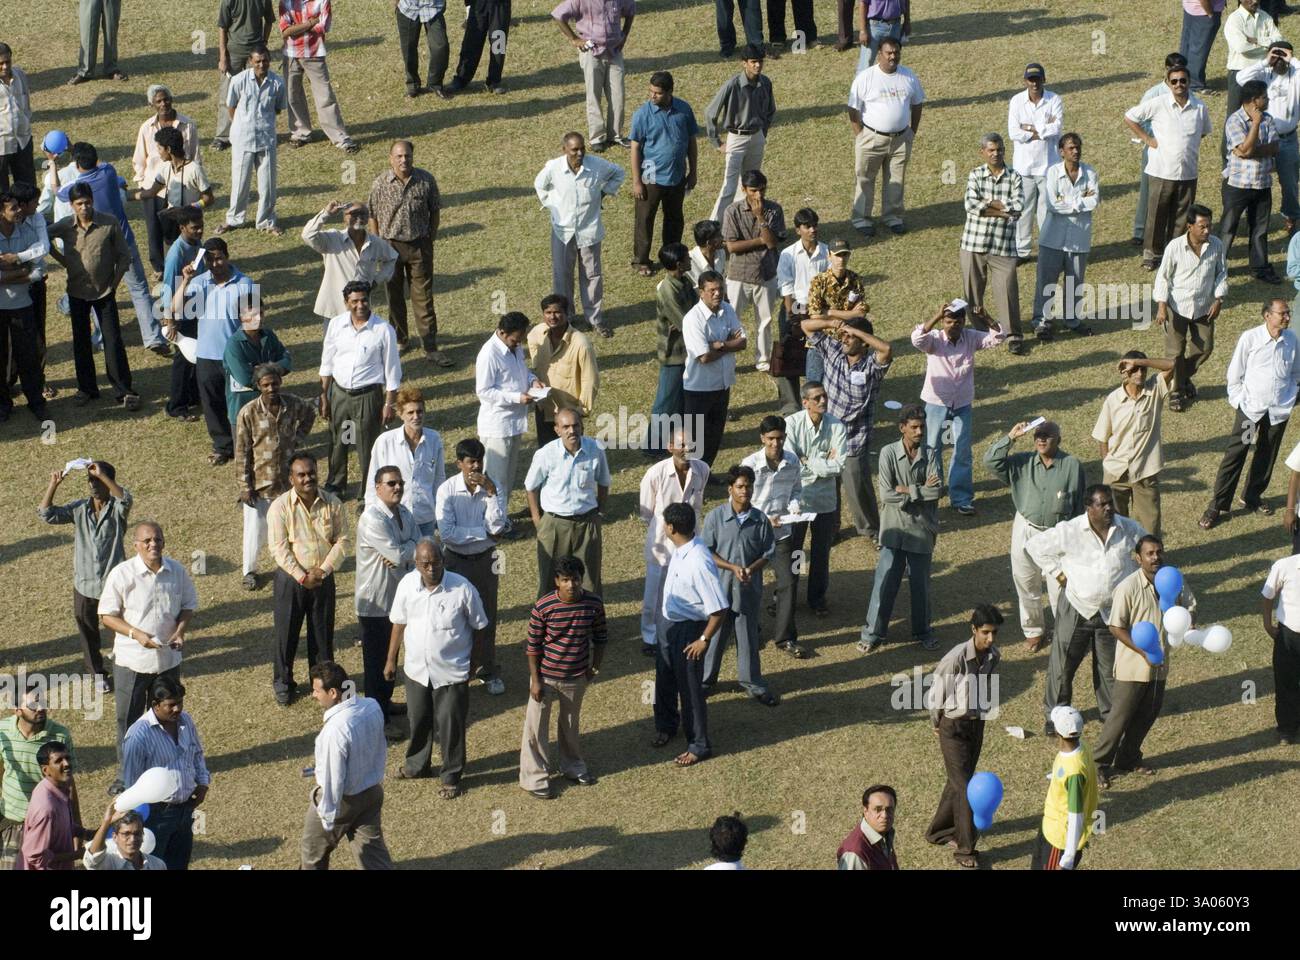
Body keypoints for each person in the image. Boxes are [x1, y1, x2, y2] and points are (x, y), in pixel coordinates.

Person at [1026, 484, 1146, 734]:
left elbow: (1146, 550)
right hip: (1077, 607)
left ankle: (1110, 714)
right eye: (1102, 504)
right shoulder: (1071, 531)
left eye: (1110, 502)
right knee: (1064, 664)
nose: (1109, 508)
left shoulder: (1128, 528)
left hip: (1111, 612)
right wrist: (1058, 575)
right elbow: (1035, 546)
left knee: (1109, 666)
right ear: (1088, 508)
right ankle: (1055, 715)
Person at [98, 521, 198, 787]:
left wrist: (180, 632)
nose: (153, 545)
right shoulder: (122, 574)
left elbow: (188, 606)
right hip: (132, 661)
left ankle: (165, 767)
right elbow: (107, 615)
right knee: (130, 721)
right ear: (136, 546)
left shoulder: (176, 571)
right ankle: (127, 776)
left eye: (158, 540)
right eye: (147, 541)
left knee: (166, 717)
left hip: (167, 661)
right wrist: (136, 634)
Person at [385, 539, 488, 799]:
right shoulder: (407, 585)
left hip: (451, 673)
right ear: (416, 564)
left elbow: (480, 627)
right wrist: (390, 660)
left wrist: (474, 663)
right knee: (418, 719)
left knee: (450, 724)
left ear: (444, 560)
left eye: (436, 562)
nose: (432, 569)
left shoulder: (462, 588)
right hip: (417, 670)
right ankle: (416, 765)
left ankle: (451, 775)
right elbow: (398, 623)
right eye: (425, 564)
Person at [1096, 535, 1194, 787]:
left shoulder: (1175, 580)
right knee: (1119, 718)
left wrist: (1185, 618)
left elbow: (1188, 610)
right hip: (1133, 667)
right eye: (1150, 553)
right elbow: (1116, 627)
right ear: (1138, 558)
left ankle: (1128, 759)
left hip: (1160, 668)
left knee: (1147, 716)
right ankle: (1098, 765)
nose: (1156, 557)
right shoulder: (1128, 588)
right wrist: (1143, 652)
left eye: (1159, 552)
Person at [52, 140, 164, 354]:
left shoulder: (75, 189)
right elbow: (117, 178)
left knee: (97, 291)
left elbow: (57, 190)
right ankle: (153, 337)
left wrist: (52, 164)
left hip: (98, 248)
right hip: (125, 240)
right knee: (139, 289)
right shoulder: (109, 172)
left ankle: (101, 338)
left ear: (76, 165)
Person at [984, 420, 1086, 652]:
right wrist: (1011, 437)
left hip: (1057, 533)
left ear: (1058, 439)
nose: (1041, 439)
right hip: (1026, 529)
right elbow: (990, 461)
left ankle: (1064, 630)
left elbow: (1080, 505)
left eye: (1047, 435)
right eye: (1037, 435)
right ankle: (1034, 631)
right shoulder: (1022, 463)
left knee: (1060, 586)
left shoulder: (1072, 466)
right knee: (1025, 581)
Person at [1200, 298, 1300, 528]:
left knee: (1267, 454)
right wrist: (1240, 403)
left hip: (1277, 412)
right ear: (1267, 315)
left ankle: (1252, 496)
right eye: (1282, 313)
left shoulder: (1292, 340)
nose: (1287, 317)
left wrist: (1290, 395)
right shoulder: (1250, 338)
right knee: (1236, 455)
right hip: (1251, 412)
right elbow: (1235, 375)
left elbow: (1296, 373)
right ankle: (1217, 504)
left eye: (1288, 313)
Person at [38, 460, 132, 690]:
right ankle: (97, 673)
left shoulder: (117, 509)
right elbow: (46, 514)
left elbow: (125, 499)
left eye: (97, 481)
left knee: (121, 628)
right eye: (90, 481)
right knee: (87, 630)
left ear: (108, 482)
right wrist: (54, 485)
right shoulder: (79, 508)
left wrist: (104, 476)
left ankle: (127, 666)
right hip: (84, 584)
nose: (92, 485)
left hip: (113, 583)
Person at [801, 309, 892, 544]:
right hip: (828, 436)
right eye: (845, 335)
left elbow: (886, 349)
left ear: (863, 343)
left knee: (858, 488)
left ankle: (871, 530)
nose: (845, 339)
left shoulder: (872, 366)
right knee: (828, 486)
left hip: (855, 438)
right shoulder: (833, 351)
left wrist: (856, 330)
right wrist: (832, 323)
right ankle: (831, 529)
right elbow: (806, 326)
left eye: (851, 337)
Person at [520, 555, 607, 799]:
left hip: (576, 677)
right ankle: (534, 778)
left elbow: (601, 638)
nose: (571, 585)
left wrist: (594, 668)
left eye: (576, 579)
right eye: (566, 580)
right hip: (545, 678)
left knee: (570, 724)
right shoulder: (543, 607)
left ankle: (573, 767)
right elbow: (533, 647)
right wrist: (536, 680)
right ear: (557, 581)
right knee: (536, 727)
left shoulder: (593, 603)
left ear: (582, 579)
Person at [858, 403, 942, 652]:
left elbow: (936, 491)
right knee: (884, 583)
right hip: (894, 529)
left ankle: (923, 631)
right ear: (902, 428)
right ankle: (872, 633)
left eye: (922, 427)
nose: (919, 432)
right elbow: (886, 495)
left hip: (921, 529)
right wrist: (919, 491)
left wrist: (906, 490)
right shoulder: (887, 453)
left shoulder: (931, 453)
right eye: (914, 427)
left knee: (921, 586)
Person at [925, 603, 1002, 870]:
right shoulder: (955, 658)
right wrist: (937, 723)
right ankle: (965, 849)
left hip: (975, 726)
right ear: (973, 630)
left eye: (994, 633)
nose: (990, 639)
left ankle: (938, 831)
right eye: (985, 632)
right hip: (953, 728)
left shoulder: (994, 656)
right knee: (965, 788)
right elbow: (936, 694)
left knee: (958, 782)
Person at [48, 183, 138, 411]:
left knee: (113, 341)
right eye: (79, 204)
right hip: (77, 293)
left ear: (92, 201)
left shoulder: (108, 222)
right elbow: (44, 237)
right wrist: (63, 260)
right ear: (72, 205)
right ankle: (87, 388)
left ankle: (123, 390)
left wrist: (114, 284)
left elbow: (124, 256)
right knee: (81, 342)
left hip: (105, 293)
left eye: (87, 202)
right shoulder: (66, 226)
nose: (84, 207)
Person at [267, 453, 349, 705]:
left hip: (323, 578)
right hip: (291, 580)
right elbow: (278, 548)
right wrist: (302, 576)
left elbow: (343, 541)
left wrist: (322, 571)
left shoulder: (332, 503)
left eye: (311, 473)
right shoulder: (280, 507)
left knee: (322, 635)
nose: (307, 478)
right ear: (291, 478)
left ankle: (323, 684)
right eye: (301, 475)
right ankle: (283, 682)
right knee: (286, 635)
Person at [911, 299, 1005, 515]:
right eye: (948, 321)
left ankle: (961, 497)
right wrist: (936, 315)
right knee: (932, 447)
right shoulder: (933, 339)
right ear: (943, 322)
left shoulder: (971, 337)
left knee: (961, 449)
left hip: (962, 403)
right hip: (936, 402)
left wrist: (985, 316)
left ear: (963, 322)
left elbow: (998, 337)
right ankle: (932, 490)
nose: (952, 325)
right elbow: (917, 339)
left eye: (957, 321)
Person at [172, 238, 259, 465]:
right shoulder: (200, 283)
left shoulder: (246, 284)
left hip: (235, 355)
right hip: (206, 355)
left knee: (239, 404)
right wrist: (185, 281)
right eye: (210, 259)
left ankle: (244, 445)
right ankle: (222, 446)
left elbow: (254, 323)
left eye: (219, 257)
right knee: (211, 403)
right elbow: (174, 308)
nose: (215, 263)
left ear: (227, 256)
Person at [653, 502, 728, 767]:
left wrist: (703, 640)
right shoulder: (683, 548)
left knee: (690, 690)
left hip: (688, 632)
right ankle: (666, 725)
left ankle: (699, 744)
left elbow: (719, 609)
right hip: (669, 626)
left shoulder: (698, 561)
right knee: (664, 678)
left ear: (671, 528)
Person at [302, 661, 394, 869]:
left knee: (312, 854)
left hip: (343, 801)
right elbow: (374, 748)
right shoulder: (372, 706)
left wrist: (326, 818)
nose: (313, 695)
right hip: (371, 794)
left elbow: (333, 780)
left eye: (316, 691)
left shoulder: (334, 731)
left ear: (333, 692)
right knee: (373, 854)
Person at [700, 465, 779, 705]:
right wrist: (732, 568)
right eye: (740, 486)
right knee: (715, 637)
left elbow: (769, 551)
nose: (745, 491)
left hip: (748, 589)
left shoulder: (760, 520)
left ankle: (753, 683)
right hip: (720, 590)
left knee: (748, 638)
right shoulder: (715, 517)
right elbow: (707, 551)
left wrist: (751, 569)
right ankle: (705, 680)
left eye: (749, 486)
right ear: (730, 489)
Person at [534, 132, 625, 339]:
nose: (580, 153)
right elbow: (540, 185)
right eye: (575, 149)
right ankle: (566, 318)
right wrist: (553, 206)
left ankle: (595, 319)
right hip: (562, 231)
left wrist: (604, 193)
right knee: (562, 275)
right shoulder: (554, 168)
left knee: (592, 275)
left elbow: (618, 173)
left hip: (589, 231)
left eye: (582, 148)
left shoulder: (597, 165)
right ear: (564, 149)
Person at [436, 437, 509, 695]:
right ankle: (458, 671)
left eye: (479, 461)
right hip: (455, 561)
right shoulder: (446, 490)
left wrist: (490, 493)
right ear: (460, 463)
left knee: (486, 615)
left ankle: (487, 669)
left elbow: (498, 526)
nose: (476, 467)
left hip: (486, 561)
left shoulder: (493, 487)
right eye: (471, 462)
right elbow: (447, 534)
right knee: (456, 616)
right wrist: (484, 534)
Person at [234, 364, 315, 590]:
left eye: (275, 383)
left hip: (288, 483)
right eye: (266, 384)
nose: (271, 388)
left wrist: (298, 438)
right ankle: (249, 571)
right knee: (254, 532)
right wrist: (244, 486)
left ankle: (293, 566)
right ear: (258, 386)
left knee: (292, 527)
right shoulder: (248, 412)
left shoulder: (292, 404)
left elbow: (310, 413)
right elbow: (241, 452)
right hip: (260, 485)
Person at [319, 281, 403, 501]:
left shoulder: (383, 330)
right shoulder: (336, 326)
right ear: (346, 303)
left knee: (367, 446)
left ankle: (366, 494)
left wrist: (389, 404)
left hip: (367, 396)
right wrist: (324, 396)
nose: (360, 305)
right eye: (354, 301)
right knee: (340, 440)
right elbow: (327, 363)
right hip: (339, 395)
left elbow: (392, 371)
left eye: (364, 300)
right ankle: (336, 485)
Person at [1124, 64, 1212, 271]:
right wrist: (1147, 139)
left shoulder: (1199, 107)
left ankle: (1174, 254)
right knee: (1157, 214)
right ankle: (1151, 255)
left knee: (1182, 218)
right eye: (1174, 81)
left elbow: (1204, 131)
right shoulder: (1158, 103)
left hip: (1188, 171)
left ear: (1189, 82)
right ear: (1168, 83)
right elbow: (1130, 117)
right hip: (1161, 171)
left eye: (1183, 80)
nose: (1179, 84)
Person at [368, 140, 448, 363]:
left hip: (419, 246)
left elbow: (435, 212)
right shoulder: (380, 183)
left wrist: (429, 240)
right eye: (399, 156)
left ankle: (430, 346)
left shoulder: (425, 180)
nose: (404, 160)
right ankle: (400, 340)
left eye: (408, 156)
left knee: (423, 298)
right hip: (390, 247)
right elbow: (373, 215)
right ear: (390, 158)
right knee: (394, 297)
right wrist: (378, 244)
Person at [120, 676, 211, 870]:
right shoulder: (138, 735)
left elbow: (196, 753)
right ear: (155, 704)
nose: (177, 709)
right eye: (171, 705)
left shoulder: (185, 721)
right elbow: (131, 783)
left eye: (180, 703)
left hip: (185, 810)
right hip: (155, 816)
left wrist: (202, 783)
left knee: (179, 864)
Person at [356, 465, 419, 733]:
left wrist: (406, 550)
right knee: (376, 662)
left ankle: (386, 701)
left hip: (397, 597)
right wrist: (410, 550)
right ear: (377, 488)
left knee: (391, 655)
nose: (397, 487)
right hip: (375, 601)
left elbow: (422, 541)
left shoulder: (404, 512)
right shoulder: (372, 519)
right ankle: (377, 719)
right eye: (391, 483)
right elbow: (396, 555)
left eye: (400, 483)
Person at [526, 407, 610, 597]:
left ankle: (589, 622)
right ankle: (548, 623)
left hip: (587, 522)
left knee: (589, 578)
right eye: (565, 427)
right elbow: (531, 487)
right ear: (557, 429)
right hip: (554, 524)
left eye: (575, 426)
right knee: (550, 576)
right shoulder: (546, 454)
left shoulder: (595, 450)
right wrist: (537, 520)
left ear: (582, 426)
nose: (571, 431)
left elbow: (604, 482)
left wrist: (600, 512)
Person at [640, 429, 709, 656]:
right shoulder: (655, 473)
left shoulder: (702, 470)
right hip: (662, 543)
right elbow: (647, 511)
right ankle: (650, 637)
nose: (687, 449)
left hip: (690, 541)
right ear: (670, 447)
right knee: (654, 594)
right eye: (682, 444)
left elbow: (698, 505)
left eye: (691, 444)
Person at [741, 415, 804, 658]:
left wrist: (796, 504)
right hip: (753, 533)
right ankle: (749, 632)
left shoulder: (792, 461)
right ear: (762, 438)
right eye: (770, 439)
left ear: (785, 438)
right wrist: (763, 519)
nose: (775, 444)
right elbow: (737, 501)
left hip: (781, 533)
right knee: (749, 585)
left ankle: (785, 638)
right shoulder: (749, 465)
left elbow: (797, 489)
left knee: (787, 583)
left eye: (779, 439)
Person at [1093, 351, 1176, 537]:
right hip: (1116, 473)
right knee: (1114, 526)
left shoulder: (1154, 390)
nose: (1140, 373)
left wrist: (1139, 361)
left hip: (1145, 472)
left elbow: (1172, 364)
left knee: (1150, 528)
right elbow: (1102, 436)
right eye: (1135, 370)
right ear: (1125, 373)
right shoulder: (1113, 400)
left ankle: (1152, 563)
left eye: (1143, 369)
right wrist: (1107, 463)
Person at [847, 37, 924, 238]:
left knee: (896, 180)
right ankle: (861, 219)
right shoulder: (866, 77)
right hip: (871, 138)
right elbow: (853, 108)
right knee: (865, 179)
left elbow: (917, 104)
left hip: (900, 139)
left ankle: (893, 217)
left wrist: (911, 131)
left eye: (896, 52)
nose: (893, 56)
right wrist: (860, 133)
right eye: (888, 53)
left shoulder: (908, 76)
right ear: (879, 54)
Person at [1154, 206, 1228, 411]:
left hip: (1204, 308)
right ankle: (1176, 391)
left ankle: (1182, 376)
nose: (1207, 231)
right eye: (1202, 227)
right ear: (1190, 226)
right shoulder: (1175, 247)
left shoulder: (1216, 245)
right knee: (1175, 352)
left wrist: (1219, 299)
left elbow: (1221, 273)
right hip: (1177, 307)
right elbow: (1163, 277)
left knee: (1205, 349)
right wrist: (1161, 306)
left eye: (1209, 226)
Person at [0, 687, 78, 871]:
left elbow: (70, 785)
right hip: (13, 822)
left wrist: (76, 830)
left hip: (48, 824)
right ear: (17, 710)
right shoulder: (3, 730)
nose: (40, 708)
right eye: (33, 704)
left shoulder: (60, 735)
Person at [785, 382, 846, 617]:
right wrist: (822, 461)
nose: (823, 401)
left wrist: (807, 460)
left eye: (824, 397)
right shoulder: (792, 425)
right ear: (805, 402)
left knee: (821, 552)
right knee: (794, 551)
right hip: (798, 501)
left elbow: (839, 465)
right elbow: (791, 464)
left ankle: (817, 598)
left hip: (825, 501)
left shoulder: (836, 426)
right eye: (817, 398)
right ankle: (786, 596)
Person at [476, 311, 542, 527]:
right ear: (502, 332)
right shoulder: (488, 354)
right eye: (515, 340)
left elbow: (520, 373)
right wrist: (516, 398)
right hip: (497, 426)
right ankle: (495, 525)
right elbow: (484, 391)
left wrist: (533, 382)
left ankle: (501, 517)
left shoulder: (514, 347)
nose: (518, 344)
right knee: (496, 480)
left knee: (508, 478)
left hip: (514, 424)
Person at [629, 72, 698, 276]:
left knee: (674, 219)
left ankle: (672, 258)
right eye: (651, 91)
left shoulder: (684, 110)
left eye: (657, 93)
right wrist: (636, 182)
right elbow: (634, 148)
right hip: (650, 176)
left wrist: (693, 171)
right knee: (645, 219)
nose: (652, 96)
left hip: (676, 176)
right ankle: (641, 260)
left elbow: (691, 143)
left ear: (669, 92)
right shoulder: (642, 114)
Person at [960, 134, 1024, 353]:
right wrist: (1000, 209)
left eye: (999, 150)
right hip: (973, 244)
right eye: (991, 150)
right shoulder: (975, 175)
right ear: (983, 152)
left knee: (1007, 289)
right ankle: (981, 331)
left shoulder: (1015, 177)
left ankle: (1013, 334)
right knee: (973, 293)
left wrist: (988, 205)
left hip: (1003, 246)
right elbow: (971, 205)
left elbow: (1017, 207)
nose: (996, 154)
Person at [1032, 132, 1099, 339]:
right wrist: (1080, 202)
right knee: (1046, 282)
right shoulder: (1052, 172)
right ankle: (1042, 322)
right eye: (1071, 148)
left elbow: (1094, 201)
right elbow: (1052, 205)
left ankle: (1072, 320)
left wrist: (1067, 201)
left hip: (1078, 240)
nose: (1076, 151)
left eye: (1078, 147)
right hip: (1052, 238)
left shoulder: (1090, 173)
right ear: (1061, 152)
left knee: (1075, 282)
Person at [131, 84, 200, 274]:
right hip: (153, 189)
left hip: (179, 189)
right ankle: (159, 269)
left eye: (166, 99)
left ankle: (180, 265)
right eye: (158, 101)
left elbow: (194, 155)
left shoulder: (188, 125)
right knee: (154, 231)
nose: (164, 104)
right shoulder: (146, 128)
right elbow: (139, 159)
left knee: (178, 230)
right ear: (152, 104)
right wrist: (142, 185)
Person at [219, 45, 287, 237]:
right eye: (257, 61)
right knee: (240, 181)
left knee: (267, 184)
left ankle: (266, 220)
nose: (261, 64)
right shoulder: (239, 80)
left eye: (265, 60)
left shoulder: (277, 83)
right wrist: (242, 125)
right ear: (250, 61)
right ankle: (234, 219)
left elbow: (278, 109)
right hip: (243, 138)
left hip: (266, 139)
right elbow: (231, 106)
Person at [553, 0, 635, 153]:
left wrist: (624, 35)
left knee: (618, 95)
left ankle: (615, 135)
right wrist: (574, 39)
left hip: (614, 52)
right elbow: (558, 15)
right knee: (594, 95)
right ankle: (597, 138)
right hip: (591, 53)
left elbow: (631, 11)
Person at [1221, 79, 1282, 283]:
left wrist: (1250, 150)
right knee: (1229, 228)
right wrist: (1255, 125)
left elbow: (1273, 147)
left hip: (1262, 184)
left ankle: (1259, 267)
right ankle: (1216, 267)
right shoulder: (1234, 121)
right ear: (1254, 100)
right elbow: (1245, 149)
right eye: (1264, 96)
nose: (1268, 99)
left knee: (1260, 229)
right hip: (1238, 186)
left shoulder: (1268, 119)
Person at [722, 169, 785, 370]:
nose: (759, 195)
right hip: (738, 274)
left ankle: (763, 359)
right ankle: (728, 358)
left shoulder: (774, 210)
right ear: (744, 190)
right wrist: (760, 240)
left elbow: (773, 242)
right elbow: (731, 247)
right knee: (732, 321)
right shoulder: (732, 211)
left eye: (762, 190)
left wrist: (760, 218)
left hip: (766, 273)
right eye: (754, 190)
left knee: (765, 321)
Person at [683, 270, 747, 467]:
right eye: (712, 290)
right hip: (699, 389)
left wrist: (720, 345)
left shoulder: (727, 309)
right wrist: (728, 344)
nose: (717, 294)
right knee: (695, 439)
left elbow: (742, 342)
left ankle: (705, 473)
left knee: (714, 434)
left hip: (722, 385)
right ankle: (691, 476)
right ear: (701, 292)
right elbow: (704, 357)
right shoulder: (693, 319)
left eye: (720, 289)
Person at [280, 0, 359, 154]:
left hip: (314, 54)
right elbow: (285, 30)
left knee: (325, 97)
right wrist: (311, 22)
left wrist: (297, 27)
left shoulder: (322, 1)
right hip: (291, 55)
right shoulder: (286, 1)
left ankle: (340, 138)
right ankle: (301, 133)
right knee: (292, 96)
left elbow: (324, 26)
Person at [364, 385, 444, 537]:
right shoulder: (384, 442)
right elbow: (372, 485)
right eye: (410, 412)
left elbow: (439, 480)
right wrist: (370, 519)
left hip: (425, 518)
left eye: (419, 411)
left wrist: (439, 514)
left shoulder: (434, 439)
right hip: (394, 518)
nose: (416, 416)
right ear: (401, 414)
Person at [303, 200, 398, 329]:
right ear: (344, 218)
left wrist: (376, 280)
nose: (358, 217)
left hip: (360, 309)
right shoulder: (332, 239)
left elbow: (392, 258)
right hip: (334, 308)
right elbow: (308, 235)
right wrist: (326, 213)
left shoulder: (375, 243)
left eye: (363, 213)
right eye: (353, 214)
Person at [706, 47, 775, 222]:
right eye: (753, 62)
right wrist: (717, 142)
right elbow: (710, 113)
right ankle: (714, 226)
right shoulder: (733, 84)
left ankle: (743, 223)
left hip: (756, 136)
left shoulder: (766, 83)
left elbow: (770, 111)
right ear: (744, 63)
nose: (757, 65)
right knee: (729, 186)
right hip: (736, 137)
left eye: (760, 61)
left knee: (751, 184)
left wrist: (762, 134)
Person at [1239, 41, 1300, 236]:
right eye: (1277, 55)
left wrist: (1293, 60)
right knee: (1255, 180)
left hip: (1287, 139)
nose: (1280, 59)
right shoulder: (1264, 75)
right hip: (1263, 139)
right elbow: (1241, 78)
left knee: (1289, 183)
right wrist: (1266, 61)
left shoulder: (1296, 76)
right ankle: (1253, 219)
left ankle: (1291, 216)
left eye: (1284, 55)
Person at [130, 128, 215, 262]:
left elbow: (209, 198)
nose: (158, 153)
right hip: (171, 223)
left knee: (192, 262)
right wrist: (129, 196)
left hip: (190, 224)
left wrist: (192, 208)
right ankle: (176, 281)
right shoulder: (165, 168)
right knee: (173, 259)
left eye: (159, 148)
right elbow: (151, 192)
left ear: (168, 149)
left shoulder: (194, 169)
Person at [1132, 54, 1189, 248]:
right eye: (1172, 67)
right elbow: (1135, 118)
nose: (1177, 73)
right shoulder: (1154, 93)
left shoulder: (1188, 94)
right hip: (1155, 151)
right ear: (1165, 69)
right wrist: (1150, 139)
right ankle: (1140, 231)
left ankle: (1168, 235)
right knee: (1149, 192)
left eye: (1181, 67)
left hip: (1177, 156)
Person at [1033, 705, 1099, 870]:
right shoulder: (1081, 746)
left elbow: (1076, 816)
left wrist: (1067, 859)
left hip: (1060, 840)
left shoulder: (1073, 772)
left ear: (1058, 733)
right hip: (1050, 827)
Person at [527, 294, 599, 445]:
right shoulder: (537, 333)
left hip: (568, 415)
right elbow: (535, 364)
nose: (552, 317)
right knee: (546, 454)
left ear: (567, 314)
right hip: (544, 409)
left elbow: (590, 380)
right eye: (548, 313)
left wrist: (581, 411)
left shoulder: (581, 344)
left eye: (557, 312)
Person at [0, 192, 47, 422]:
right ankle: (2, 404)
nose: (19, 211)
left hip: (22, 305)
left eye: (19, 207)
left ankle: (36, 401)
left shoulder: (27, 233)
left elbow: (39, 270)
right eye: (13, 208)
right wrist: (22, 270)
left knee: (28, 356)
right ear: (1, 212)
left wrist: (13, 270)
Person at [1008, 62, 1062, 258]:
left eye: (1037, 79)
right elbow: (1014, 132)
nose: (1034, 83)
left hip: (1048, 167)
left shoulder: (1054, 99)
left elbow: (1056, 129)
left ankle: (1047, 248)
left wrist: (1029, 128)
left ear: (1044, 80)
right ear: (1025, 81)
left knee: (1046, 211)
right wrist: (1041, 130)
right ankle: (1022, 251)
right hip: (1024, 167)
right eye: (1031, 80)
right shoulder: (1016, 101)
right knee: (1023, 211)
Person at [775, 208, 827, 406]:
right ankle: (790, 405)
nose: (813, 230)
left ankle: (815, 399)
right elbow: (785, 286)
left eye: (815, 225)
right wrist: (792, 315)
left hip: (817, 311)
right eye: (807, 226)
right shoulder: (788, 254)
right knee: (789, 356)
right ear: (798, 230)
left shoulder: (826, 251)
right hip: (795, 307)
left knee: (816, 354)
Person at [648, 242, 697, 452]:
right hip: (673, 354)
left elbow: (697, 309)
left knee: (678, 401)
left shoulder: (684, 281)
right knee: (666, 402)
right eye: (687, 258)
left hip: (685, 351)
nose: (691, 260)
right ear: (678, 263)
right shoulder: (668, 290)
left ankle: (673, 440)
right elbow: (687, 321)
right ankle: (653, 445)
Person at [160, 206, 205, 421]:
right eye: (194, 228)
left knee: (197, 357)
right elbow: (167, 289)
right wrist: (171, 322)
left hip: (198, 311)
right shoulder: (176, 254)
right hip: (182, 315)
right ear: (182, 228)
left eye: (201, 227)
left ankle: (194, 397)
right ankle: (176, 406)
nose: (199, 232)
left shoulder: (197, 245)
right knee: (183, 361)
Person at [213, 0, 275, 151]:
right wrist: (222, 57)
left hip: (254, 56)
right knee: (227, 96)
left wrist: (264, 43)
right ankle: (223, 136)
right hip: (233, 54)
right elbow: (222, 27)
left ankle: (254, 132)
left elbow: (269, 20)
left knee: (255, 95)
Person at [1223, 0, 1283, 145]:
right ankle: (1228, 160)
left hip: (1261, 73)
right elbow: (1242, 47)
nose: (1255, 1)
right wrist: (1267, 46)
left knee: (1261, 115)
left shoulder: (1265, 16)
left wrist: (1256, 40)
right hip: (1240, 73)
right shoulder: (1234, 20)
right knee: (1234, 118)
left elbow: (1279, 41)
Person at [223, 305, 292, 427]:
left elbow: (287, 361)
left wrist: (261, 369)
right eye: (253, 315)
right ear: (242, 317)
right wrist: (274, 370)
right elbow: (245, 379)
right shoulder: (233, 345)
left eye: (261, 313)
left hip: (269, 408)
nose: (259, 318)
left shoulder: (269, 335)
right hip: (243, 412)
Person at [17, 741, 80, 870]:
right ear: (46, 770)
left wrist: (90, 834)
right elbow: (35, 857)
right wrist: (75, 855)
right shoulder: (46, 809)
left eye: (67, 758)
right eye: (58, 761)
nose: (67, 764)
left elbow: (61, 827)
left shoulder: (56, 789)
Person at [1262, 542, 1300, 744]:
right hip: (1288, 635)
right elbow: (1268, 595)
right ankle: (1287, 728)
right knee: (1285, 682)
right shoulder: (1284, 566)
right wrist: (1268, 625)